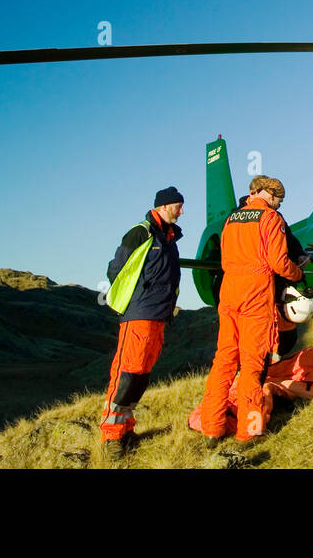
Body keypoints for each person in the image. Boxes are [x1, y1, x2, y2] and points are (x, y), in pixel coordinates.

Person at [198, 175, 306, 445]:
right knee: (252, 365)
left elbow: (224, 256)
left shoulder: (231, 219)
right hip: (255, 295)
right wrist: (297, 274)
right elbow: (279, 262)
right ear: (270, 196)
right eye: (279, 201)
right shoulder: (270, 219)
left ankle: (212, 428)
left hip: (229, 290)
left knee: (224, 360)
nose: (279, 206)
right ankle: (250, 432)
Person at [100, 186, 184, 459]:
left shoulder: (170, 239)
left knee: (141, 375)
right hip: (139, 314)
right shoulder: (141, 232)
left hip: (159, 316)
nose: (181, 212)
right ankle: (111, 437)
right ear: (162, 206)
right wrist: (135, 296)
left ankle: (126, 428)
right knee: (126, 372)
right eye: (177, 206)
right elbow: (116, 267)